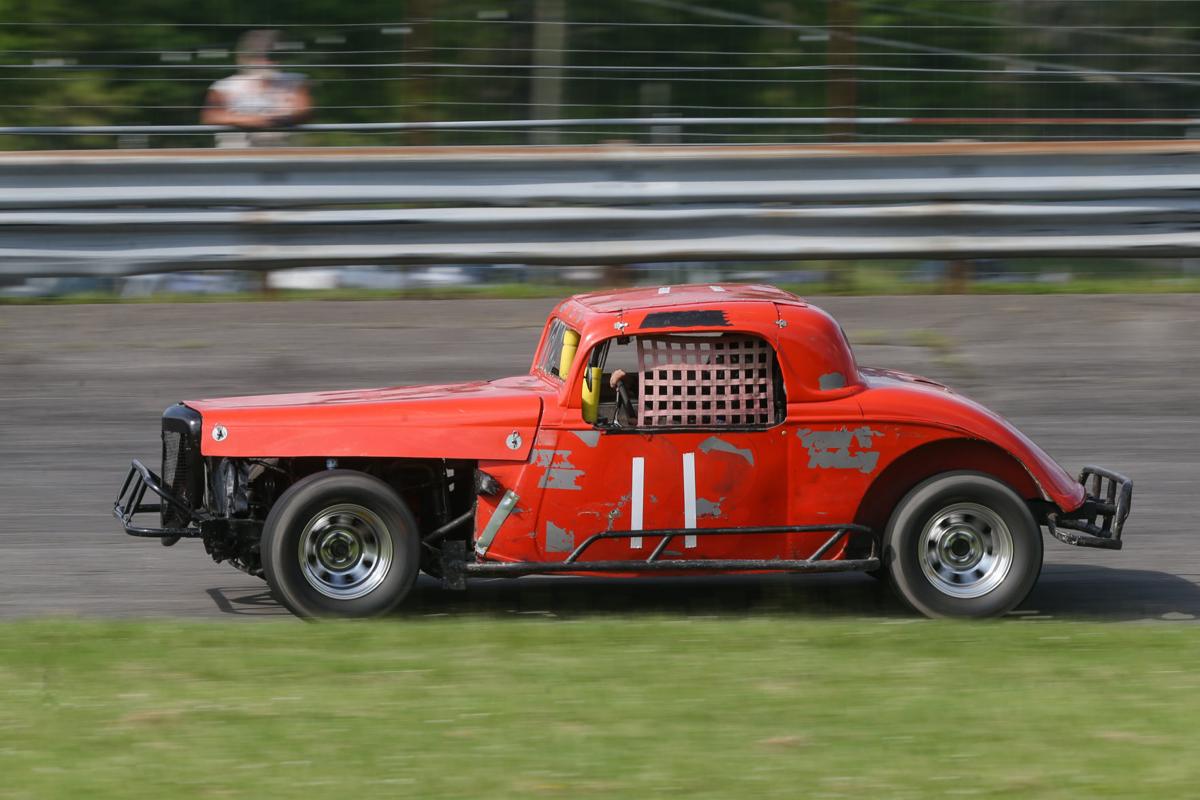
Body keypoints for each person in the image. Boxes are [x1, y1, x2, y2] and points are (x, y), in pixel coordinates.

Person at [202, 29, 312, 148]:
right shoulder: (224, 86)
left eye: (270, 55)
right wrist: (251, 120)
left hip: (283, 153)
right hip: (237, 154)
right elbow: (212, 116)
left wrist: (272, 120)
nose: (265, 61)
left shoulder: (294, 81)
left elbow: (303, 110)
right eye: (258, 55)